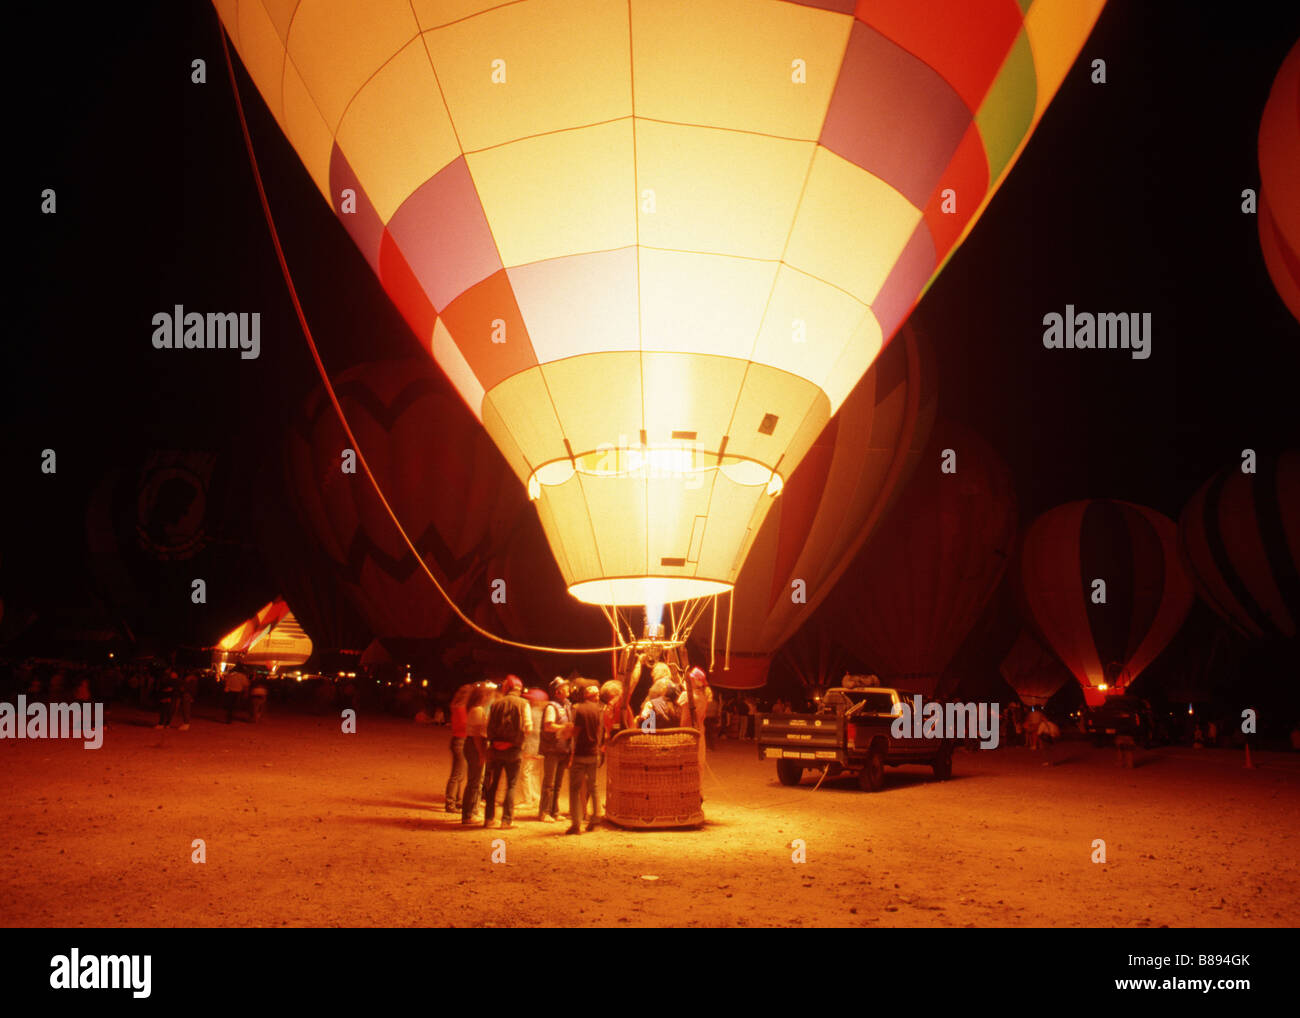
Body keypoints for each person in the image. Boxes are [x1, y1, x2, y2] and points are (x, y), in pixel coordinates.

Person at [483, 676, 531, 830]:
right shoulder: (524, 704)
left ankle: (489, 818)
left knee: (493, 784)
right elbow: (528, 727)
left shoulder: (496, 703)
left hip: (496, 748)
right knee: (511, 785)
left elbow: (488, 725)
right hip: (514, 750)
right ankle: (506, 820)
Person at [567, 682, 604, 834]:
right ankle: (595, 818)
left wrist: (566, 732)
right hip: (593, 753)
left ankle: (576, 823)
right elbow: (600, 731)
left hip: (580, 754)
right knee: (593, 786)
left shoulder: (580, 709)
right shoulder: (599, 710)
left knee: (575, 789)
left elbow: (576, 731)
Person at [461, 683, 496, 825]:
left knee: (478, 780)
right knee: (474, 781)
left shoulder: (476, 710)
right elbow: (477, 736)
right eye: (488, 695)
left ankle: (473, 811)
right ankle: (468, 814)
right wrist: (482, 753)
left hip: (474, 745)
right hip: (475, 746)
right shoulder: (477, 711)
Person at [539, 678, 572, 823]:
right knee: (549, 783)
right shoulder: (551, 707)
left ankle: (555, 811)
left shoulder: (567, 706)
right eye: (565, 687)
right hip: (552, 749)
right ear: (558, 691)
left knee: (557, 784)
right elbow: (548, 726)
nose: (568, 689)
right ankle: (544, 812)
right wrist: (565, 728)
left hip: (563, 748)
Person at [444, 684, 472, 814]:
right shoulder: (461, 709)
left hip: (457, 740)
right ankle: (450, 803)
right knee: (457, 774)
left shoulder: (456, 707)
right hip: (461, 741)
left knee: (460, 774)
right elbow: (465, 725)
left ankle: (457, 800)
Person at [519, 688, 547, 813]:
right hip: (540, 747)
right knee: (535, 773)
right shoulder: (543, 712)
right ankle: (536, 797)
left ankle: (527, 799)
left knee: (525, 773)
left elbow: (527, 729)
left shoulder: (531, 712)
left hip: (530, 746)